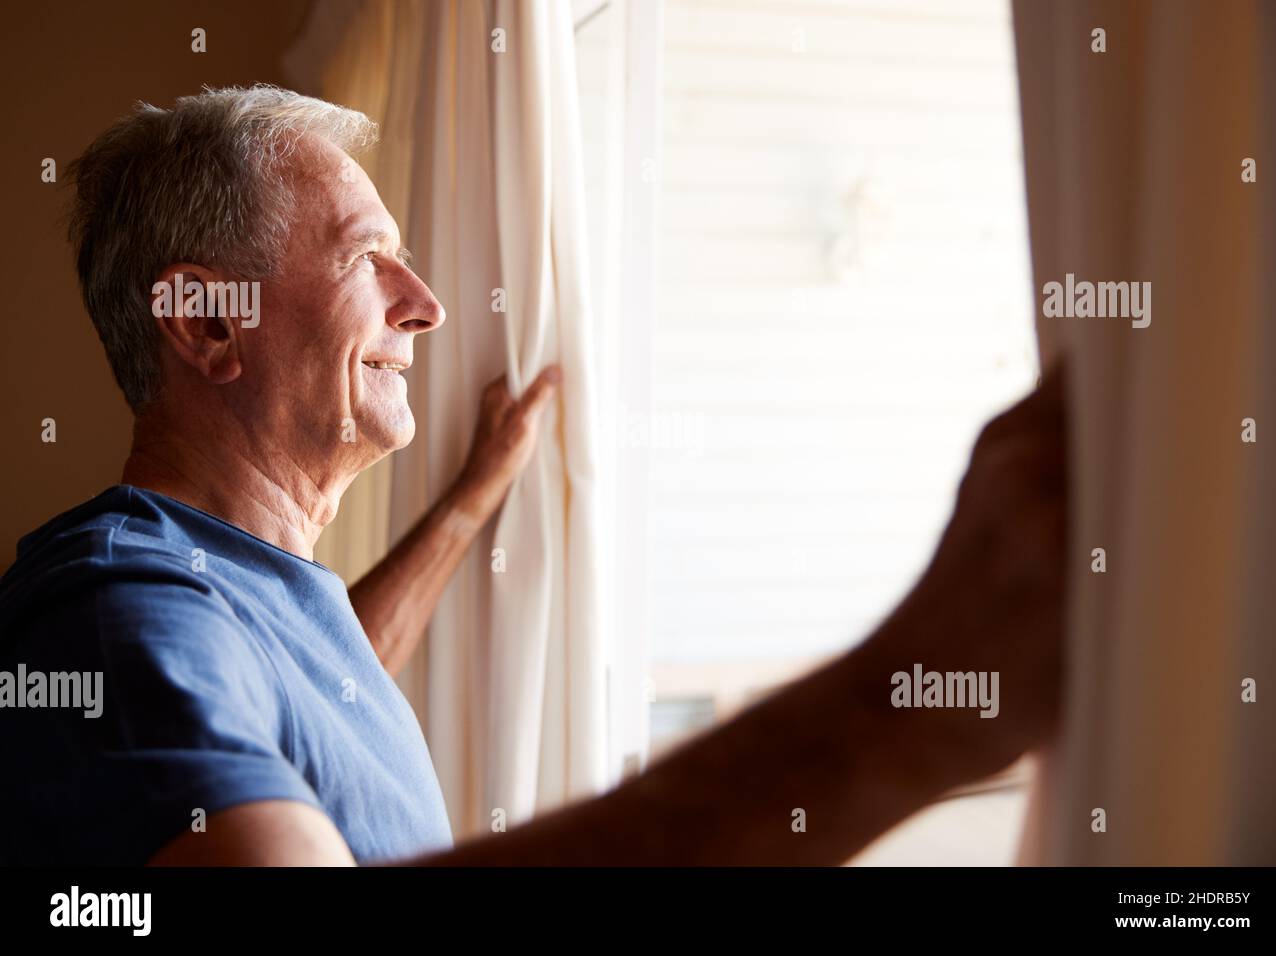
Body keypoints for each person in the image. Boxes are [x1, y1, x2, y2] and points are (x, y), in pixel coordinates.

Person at [0, 87, 1066, 866]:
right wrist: (906, 702)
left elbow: (325, 683)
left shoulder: (228, 592)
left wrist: (469, 502)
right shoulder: (120, 614)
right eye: (368, 258)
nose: (425, 304)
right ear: (205, 320)